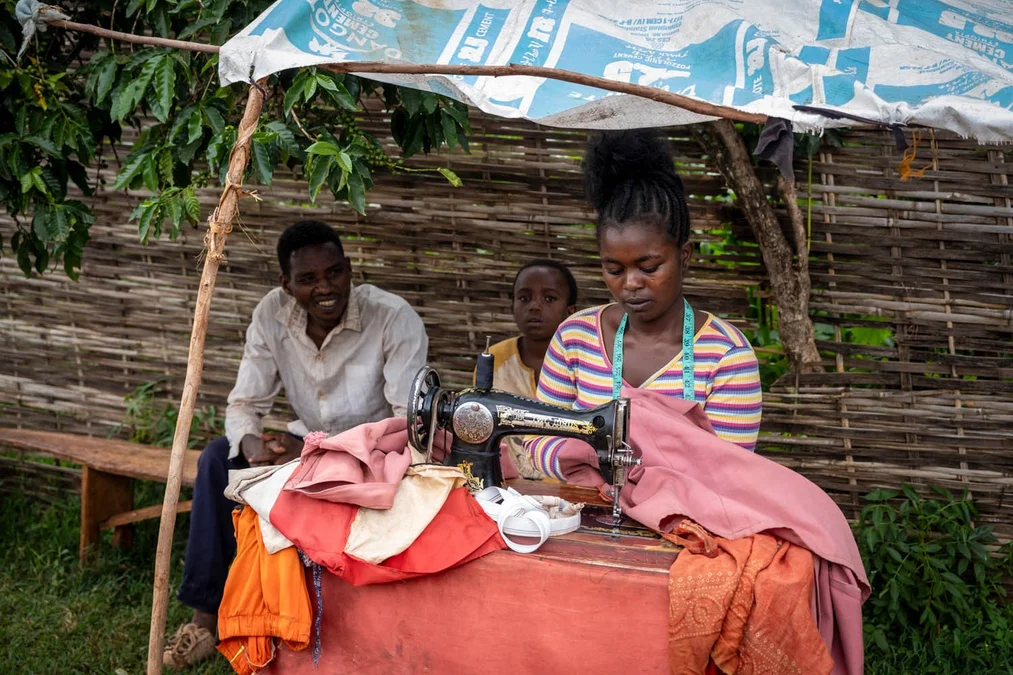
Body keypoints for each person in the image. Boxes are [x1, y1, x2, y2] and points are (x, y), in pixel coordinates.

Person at [164, 220, 428, 669]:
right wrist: (250, 443)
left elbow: (403, 420)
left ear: (349, 269)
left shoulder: (392, 316)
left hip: (372, 455)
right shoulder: (271, 314)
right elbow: (245, 403)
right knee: (215, 459)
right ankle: (203, 620)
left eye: (335, 273)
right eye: (308, 279)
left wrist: (323, 451)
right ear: (286, 284)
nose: (326, 288)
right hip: (304, 441)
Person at [526, 129, 762, 480]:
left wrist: (607, 467)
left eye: (649, 267)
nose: (631, 283)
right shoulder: (574, 338)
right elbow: (537, 441)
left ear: (684, 255)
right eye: (614, 269)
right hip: (586, 516)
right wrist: (599, 470)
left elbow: (728, 473)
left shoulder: (726, 355)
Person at [477, 259, 578, 479]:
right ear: (512, 305)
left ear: (571, 311)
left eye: (549, 299)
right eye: (524, 298)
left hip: (571, 486)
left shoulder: (582, 362)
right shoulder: (494, 361)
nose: (534, 306)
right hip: (508, 486)